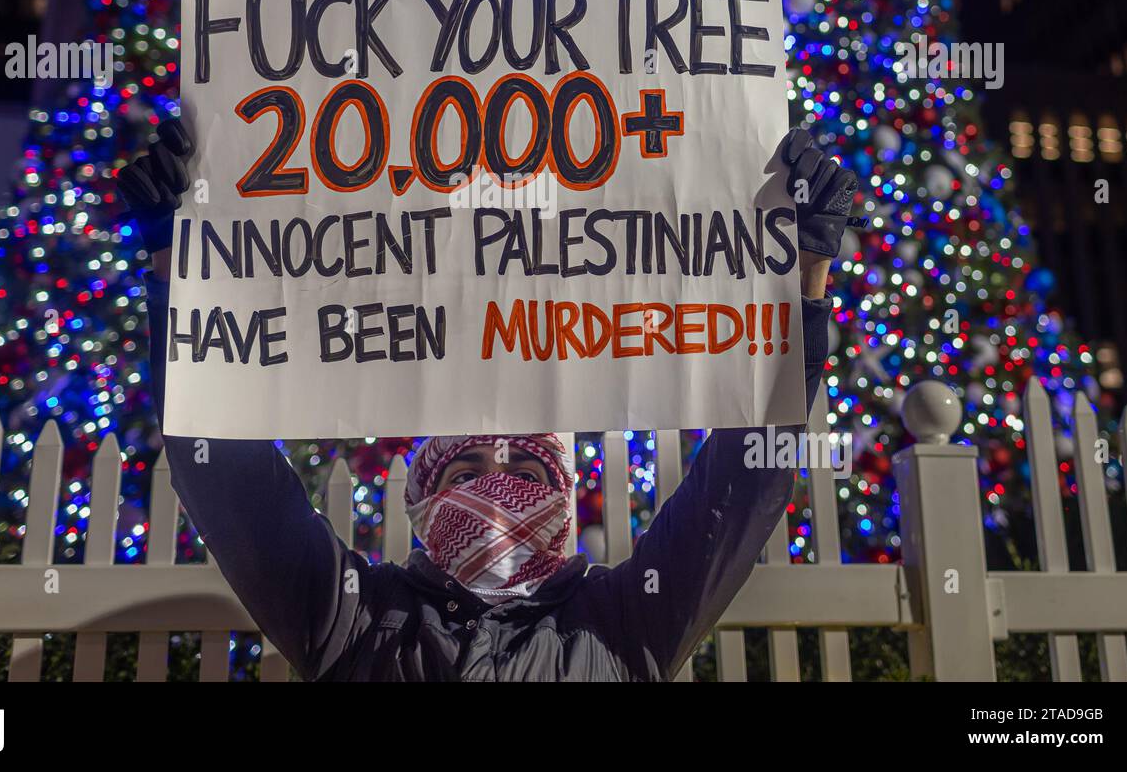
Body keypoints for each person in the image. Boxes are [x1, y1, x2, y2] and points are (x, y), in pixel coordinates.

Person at [119, 119, 857, 681]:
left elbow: (744, 483)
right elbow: (225, 475)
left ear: (568, 498)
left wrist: (803, 285)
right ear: (421, 496)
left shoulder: (631, 618)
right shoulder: (351, 615)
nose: (496, 488)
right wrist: (175, 270)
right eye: (464, 469)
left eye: (528, 473)